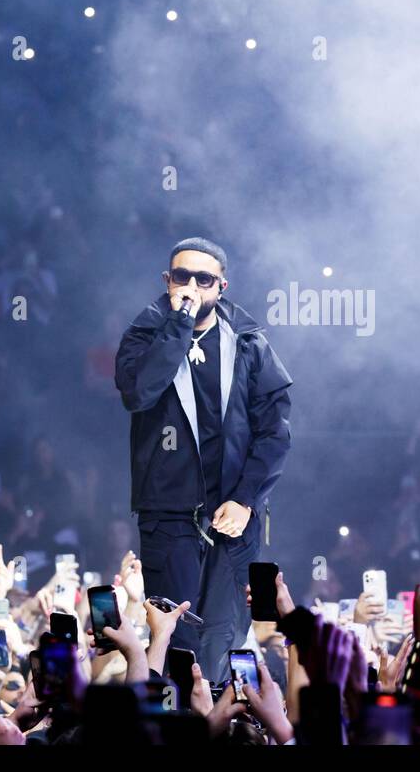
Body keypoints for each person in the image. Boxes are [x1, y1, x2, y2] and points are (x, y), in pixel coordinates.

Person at [115, 237, 293, 683]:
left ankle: (218, 728)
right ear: (167, 281)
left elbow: (275, 432)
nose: (191, 286)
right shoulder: (144, 336)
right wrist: (178, 323)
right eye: (182, 277)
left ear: (222, 286)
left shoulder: (249, 343)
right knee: (176, 641)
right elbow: (140, 393)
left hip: (231, 516)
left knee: (224, 640)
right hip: (169, 515)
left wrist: (247, 498)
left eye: (204, 279)